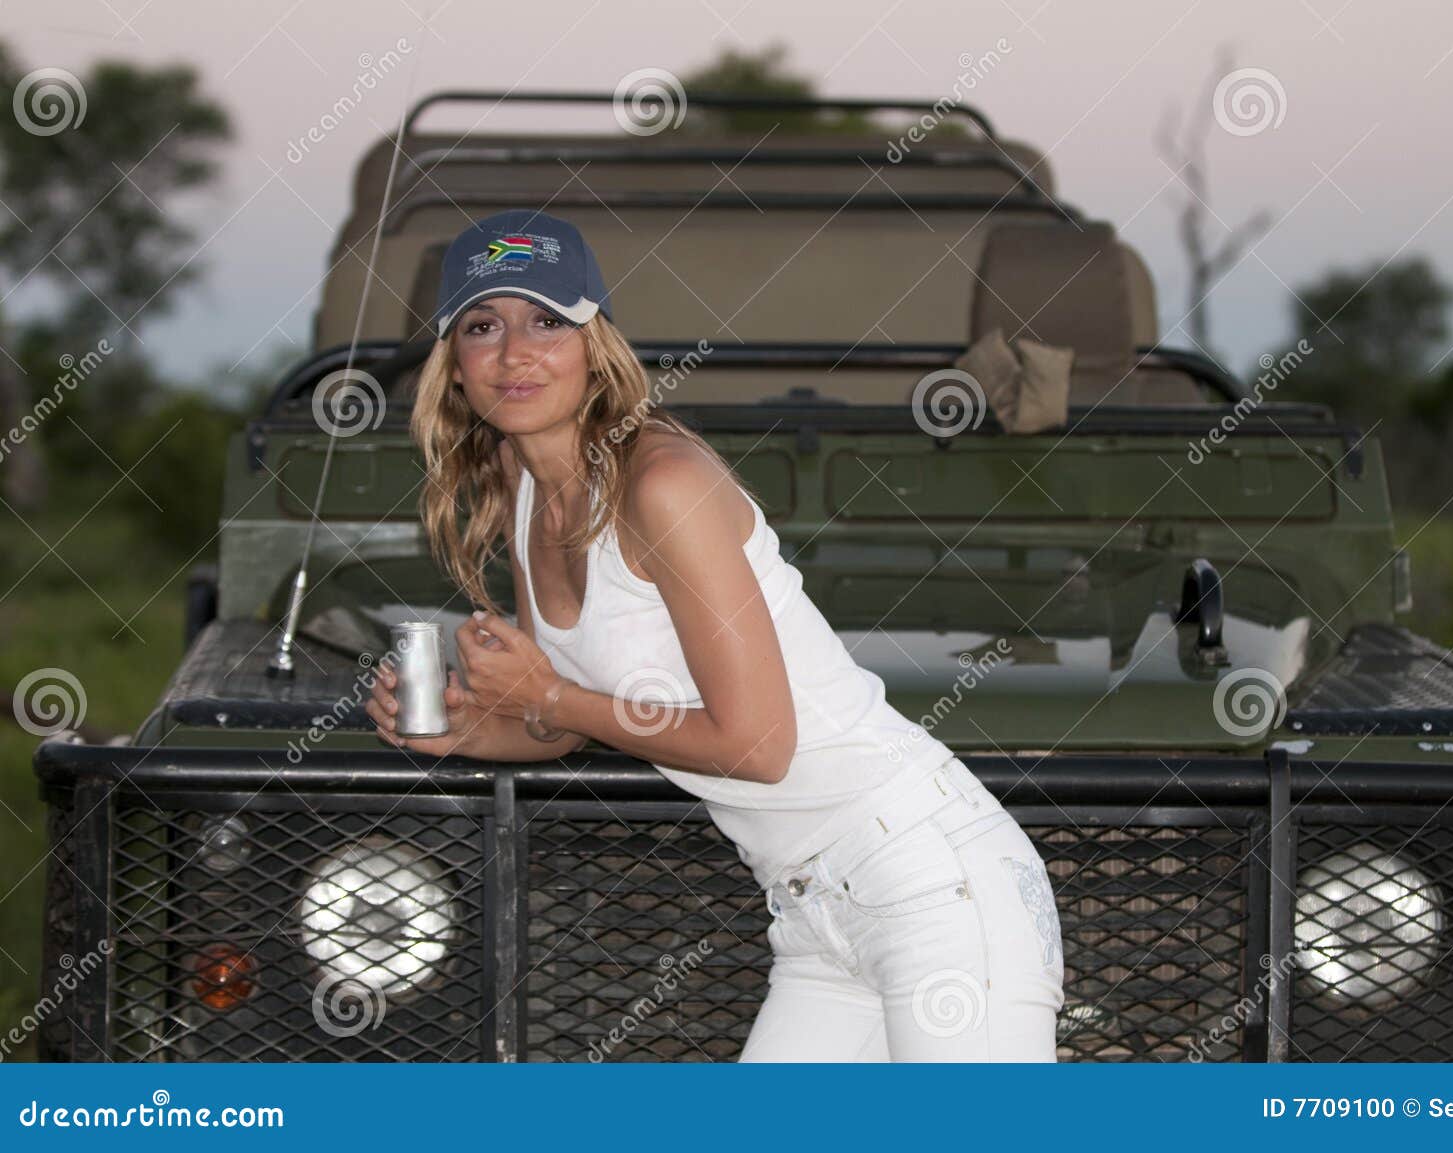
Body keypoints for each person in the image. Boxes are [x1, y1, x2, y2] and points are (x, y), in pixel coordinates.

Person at [364, 209, 1065, 1060]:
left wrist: (545, 695)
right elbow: (580, 718)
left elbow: (759, 746)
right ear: (453, 363)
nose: (515, 353)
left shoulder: (664, 482)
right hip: (814, 913)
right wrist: (476, 729)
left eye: (547, 320)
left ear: (596, 343)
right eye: (483, 326)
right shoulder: (524, 486)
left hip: (931, 880)